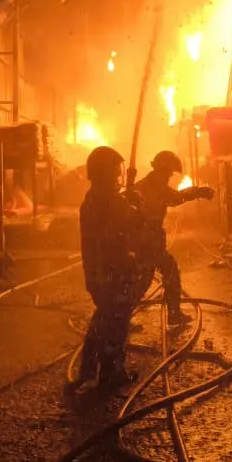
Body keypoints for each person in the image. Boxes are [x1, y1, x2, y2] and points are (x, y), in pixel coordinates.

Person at [77, 145, 144, 388]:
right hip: (115, 272)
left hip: (96, 274)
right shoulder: (112, 200)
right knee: (117, 322)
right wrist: (136, 202)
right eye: (115, 173)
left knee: (102, 317)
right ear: (106, 172)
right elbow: (135, 220)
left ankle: (88, 370)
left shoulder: (90, 199)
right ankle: (111, 372)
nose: (118, 177)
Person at [132, 150, 214, 326]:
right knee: (154, 277)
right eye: (168, 173)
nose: (169, 177)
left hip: (148, 242)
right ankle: (120, 318)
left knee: (149, 278)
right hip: (146, 242)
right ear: (161, 170)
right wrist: (199, 192)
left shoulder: (150, 185)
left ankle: (121, 317)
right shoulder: (150, 187)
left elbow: (173, 198)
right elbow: (175, 198)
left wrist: (197, 192)